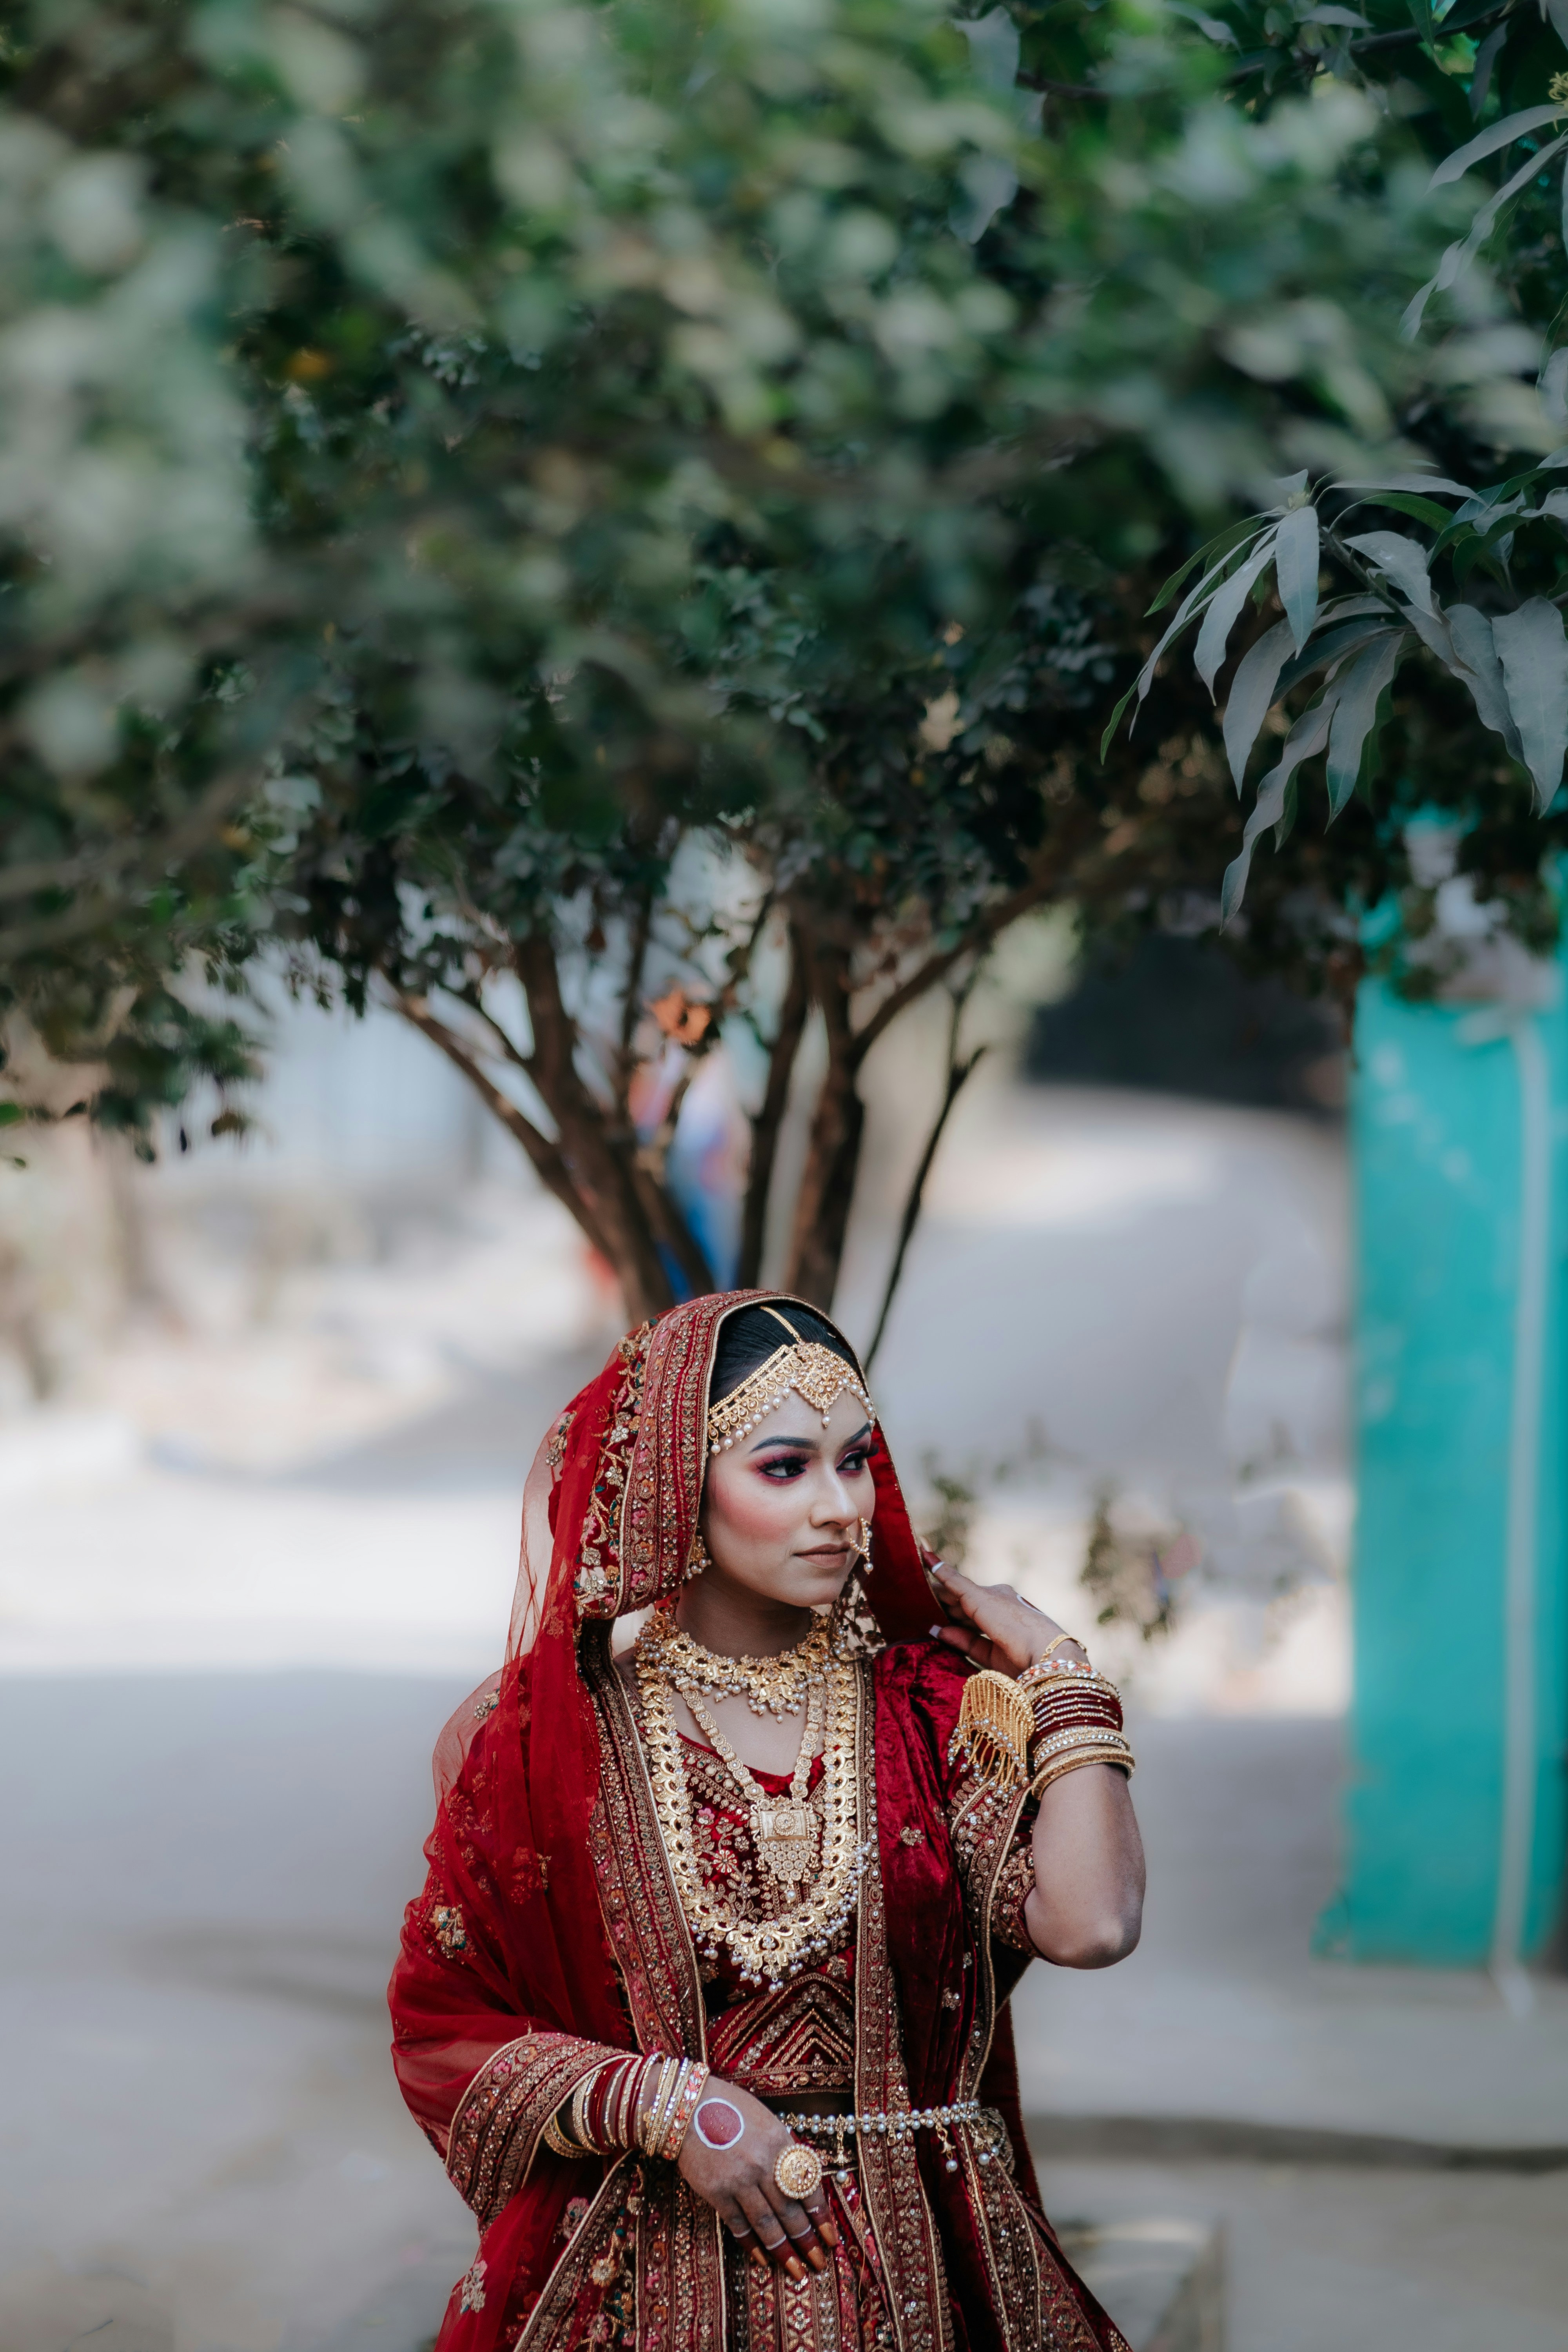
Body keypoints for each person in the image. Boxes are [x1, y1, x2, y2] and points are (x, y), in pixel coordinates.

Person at [390, 1290, 1146, 2352]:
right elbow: (446, 2025)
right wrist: (672, 2108)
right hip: (652, 2282)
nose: (841, 1506)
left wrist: (1066, 1680)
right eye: (785, 1468)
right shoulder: (555, 1738)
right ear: (673, 1483)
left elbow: (1093, 1923)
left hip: (928, 2271)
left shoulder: (929, 1708)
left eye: (857, 1462)